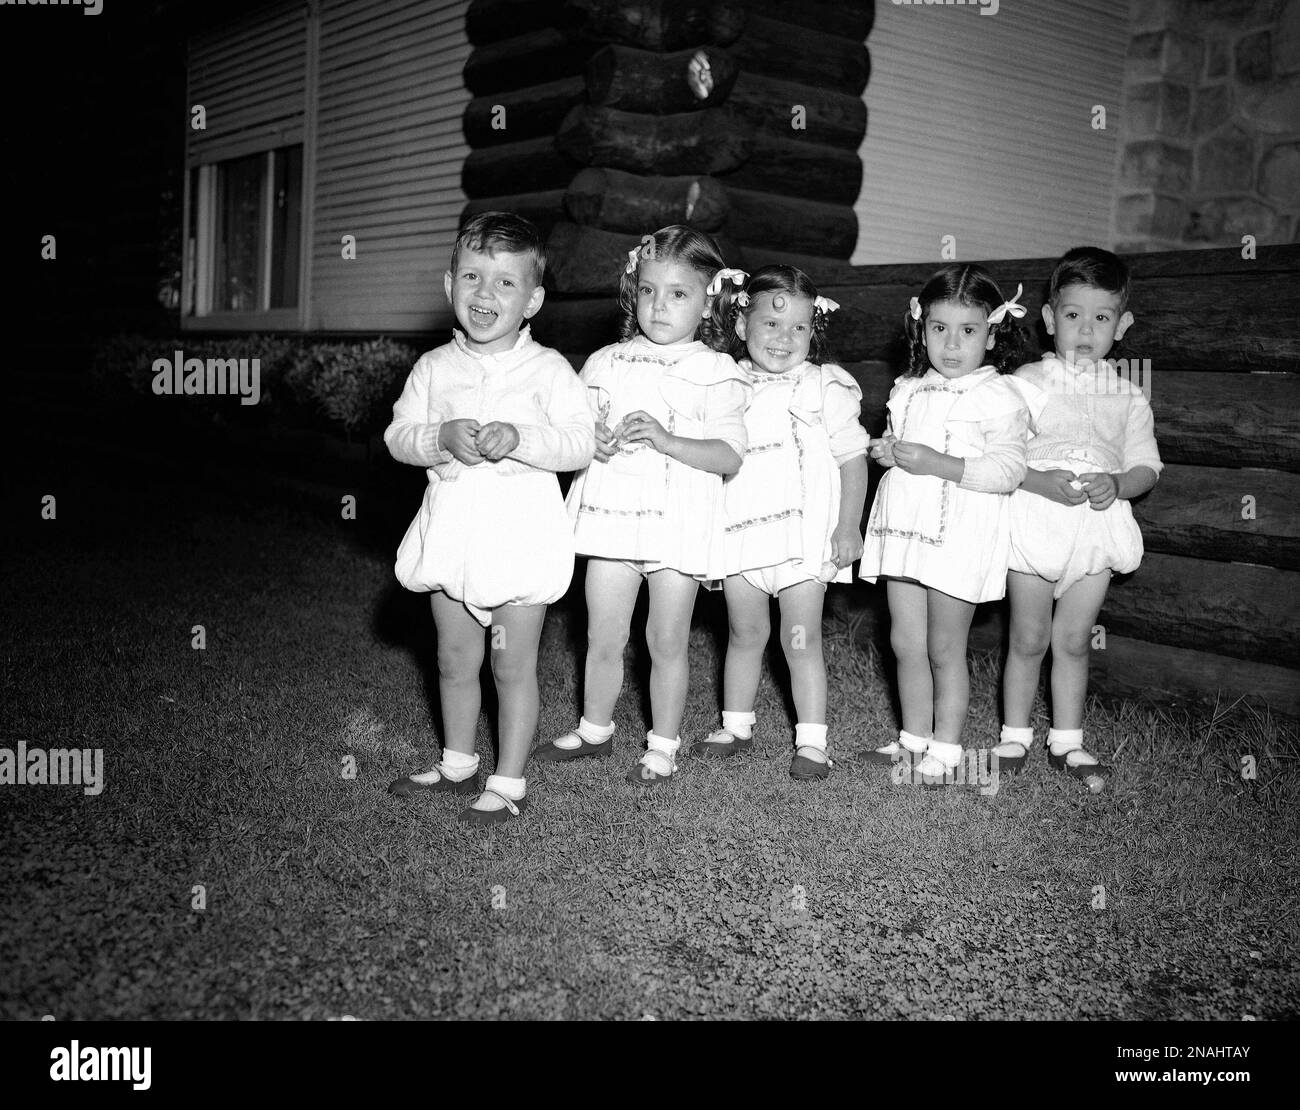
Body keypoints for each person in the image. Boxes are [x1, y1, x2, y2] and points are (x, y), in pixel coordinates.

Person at [384, 212, 595, 824]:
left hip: (519, 539)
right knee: (453, 658)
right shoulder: (433, 368)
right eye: (472, 276)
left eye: (505, 283)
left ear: (532, 301)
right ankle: (457, 764)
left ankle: (508, 783)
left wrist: (523, 438)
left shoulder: (550, 370)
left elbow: (579, 444)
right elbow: (398, 437)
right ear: (449, 285)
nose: (485, 293)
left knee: (510, 664)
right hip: (451, 533)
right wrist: (438, 436)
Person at [534, 225, 750, 786]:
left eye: (679, 294)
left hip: (676, 523)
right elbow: (574, 430)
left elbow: (729, 456)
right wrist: (594, 439)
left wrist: (666, 438)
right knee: (603, 634)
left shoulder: (716, 370)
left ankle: (662, 744)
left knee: (665, 639)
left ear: (709, 303)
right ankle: (595, 729)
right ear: (635, 291)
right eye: (650, 290)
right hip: (612, 516)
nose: (661, 306)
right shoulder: (606, 361)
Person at [860, 263, 1041, 785]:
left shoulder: (999, 395)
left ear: (992, 332)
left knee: (944, 647)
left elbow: (1009, 469)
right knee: (906, 642)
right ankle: (912, 738)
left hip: (959, 534)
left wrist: (938, 463)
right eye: (940, 328)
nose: (953, 344)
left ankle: (948, 747)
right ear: (922, 328)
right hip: (906, 530)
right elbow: (902, 446)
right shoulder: (910, 388)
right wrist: (888, 452)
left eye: (969, 331)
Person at [696, 266, 869, 780]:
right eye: (771, 324)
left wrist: (848, 526)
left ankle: (812, 741)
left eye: (798, 327)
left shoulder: (824, 386)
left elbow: (852, 459)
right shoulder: (725, 382)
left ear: (813, 332)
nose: (784, 338)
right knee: (744, 634)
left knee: (800, 638)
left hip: (802, 538)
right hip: (741, 534)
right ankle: (736, 724)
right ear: (742, 320)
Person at [997, 247, 1161, 784]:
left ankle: (1067, 741)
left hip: (1096, 526)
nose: (1085, 330)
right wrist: (1039, 480)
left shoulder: (1129, 394)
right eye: (1072, 315)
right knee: (1028, 637)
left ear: (1123, 324)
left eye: (1101, 317)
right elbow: (1003, 456)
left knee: (1073, 639)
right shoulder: (1028, 380)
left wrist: (1116, 485)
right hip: (1038, 517)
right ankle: (1014, 736)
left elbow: (1146, 468)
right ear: (1049, 320)